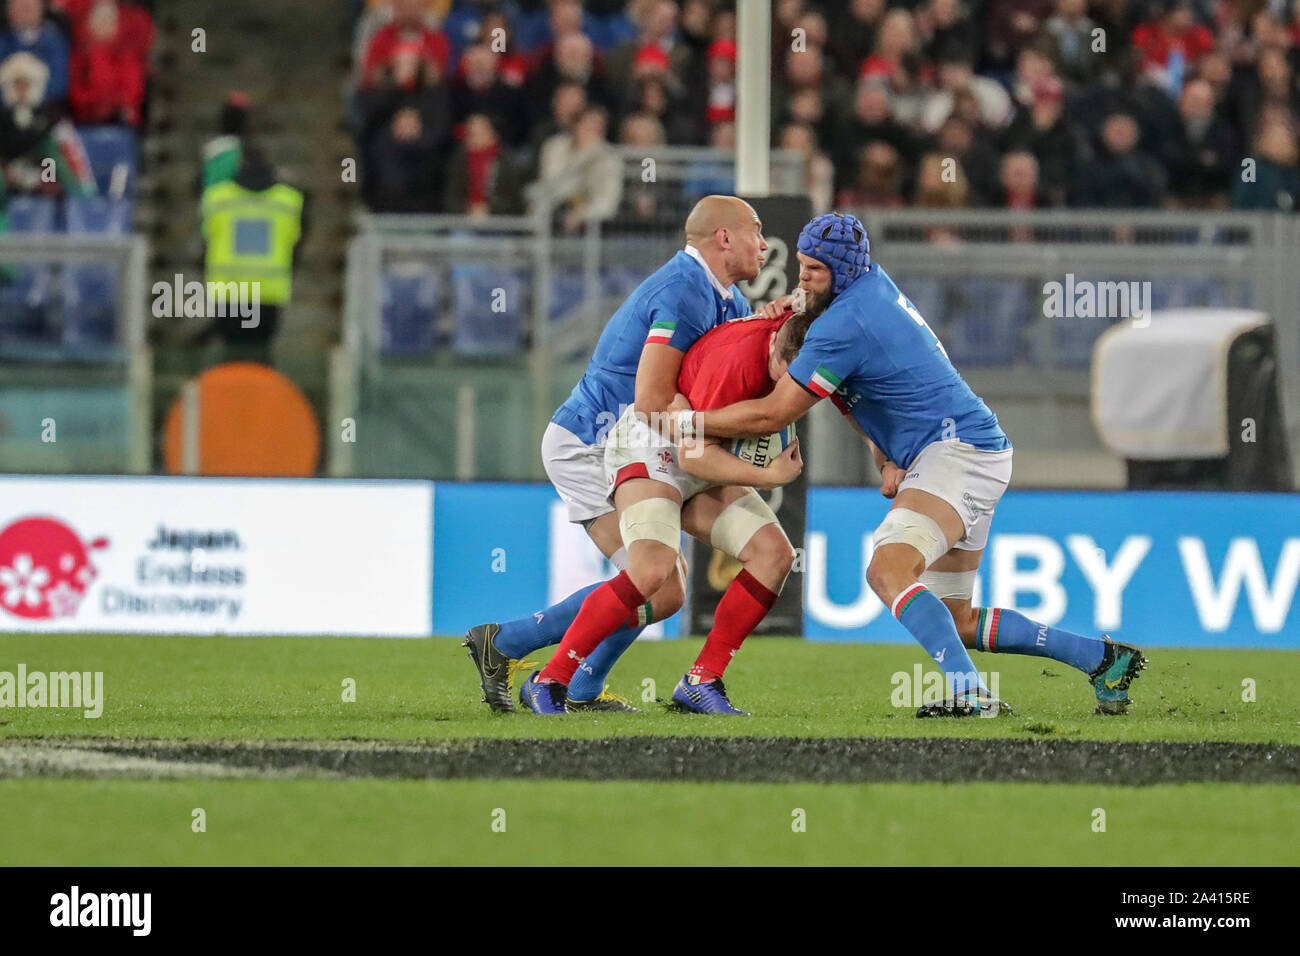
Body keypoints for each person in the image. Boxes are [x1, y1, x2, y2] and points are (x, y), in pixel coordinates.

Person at [674, 212, 1149, 717]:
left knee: (888, 569)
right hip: (970, 449)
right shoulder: (868, 287)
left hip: (954, 453)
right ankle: (1101, 658)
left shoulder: (842, 324)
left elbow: (776, 412)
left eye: (814, 268)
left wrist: (689, 422)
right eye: (801, 265)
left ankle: (971, 695)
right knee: (955, 619)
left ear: (841, 270)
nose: (802, 277)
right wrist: (884, 459)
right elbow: (856, 396)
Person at [462, 195, 786, 713]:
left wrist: (768, 325)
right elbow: (653, 400)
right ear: (723, 238)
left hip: (649, 444)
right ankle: (518, 651)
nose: (765, 243)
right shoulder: (682, 292)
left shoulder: (728, 300)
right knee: (656, 582)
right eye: (756, 229)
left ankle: (546, 666)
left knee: (666, 588)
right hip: (591, 443)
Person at [518, 312, 810, 716]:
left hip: (700, 450)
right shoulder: (737, 364)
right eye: (788, 377)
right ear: (777, 349)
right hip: (652, 449)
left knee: (773, 555)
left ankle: (700, 681)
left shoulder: (801, 342)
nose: (792, 392)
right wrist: (766, 476)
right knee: (652, 573)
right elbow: (693, 457)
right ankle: (549, 681)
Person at [199, 145, 304, 362]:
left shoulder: (216, 199)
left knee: (230, 364)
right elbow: (296, 245)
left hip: (228, 294)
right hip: (267, 296)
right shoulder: (289, 201)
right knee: (261, 362)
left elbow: (206, 241)